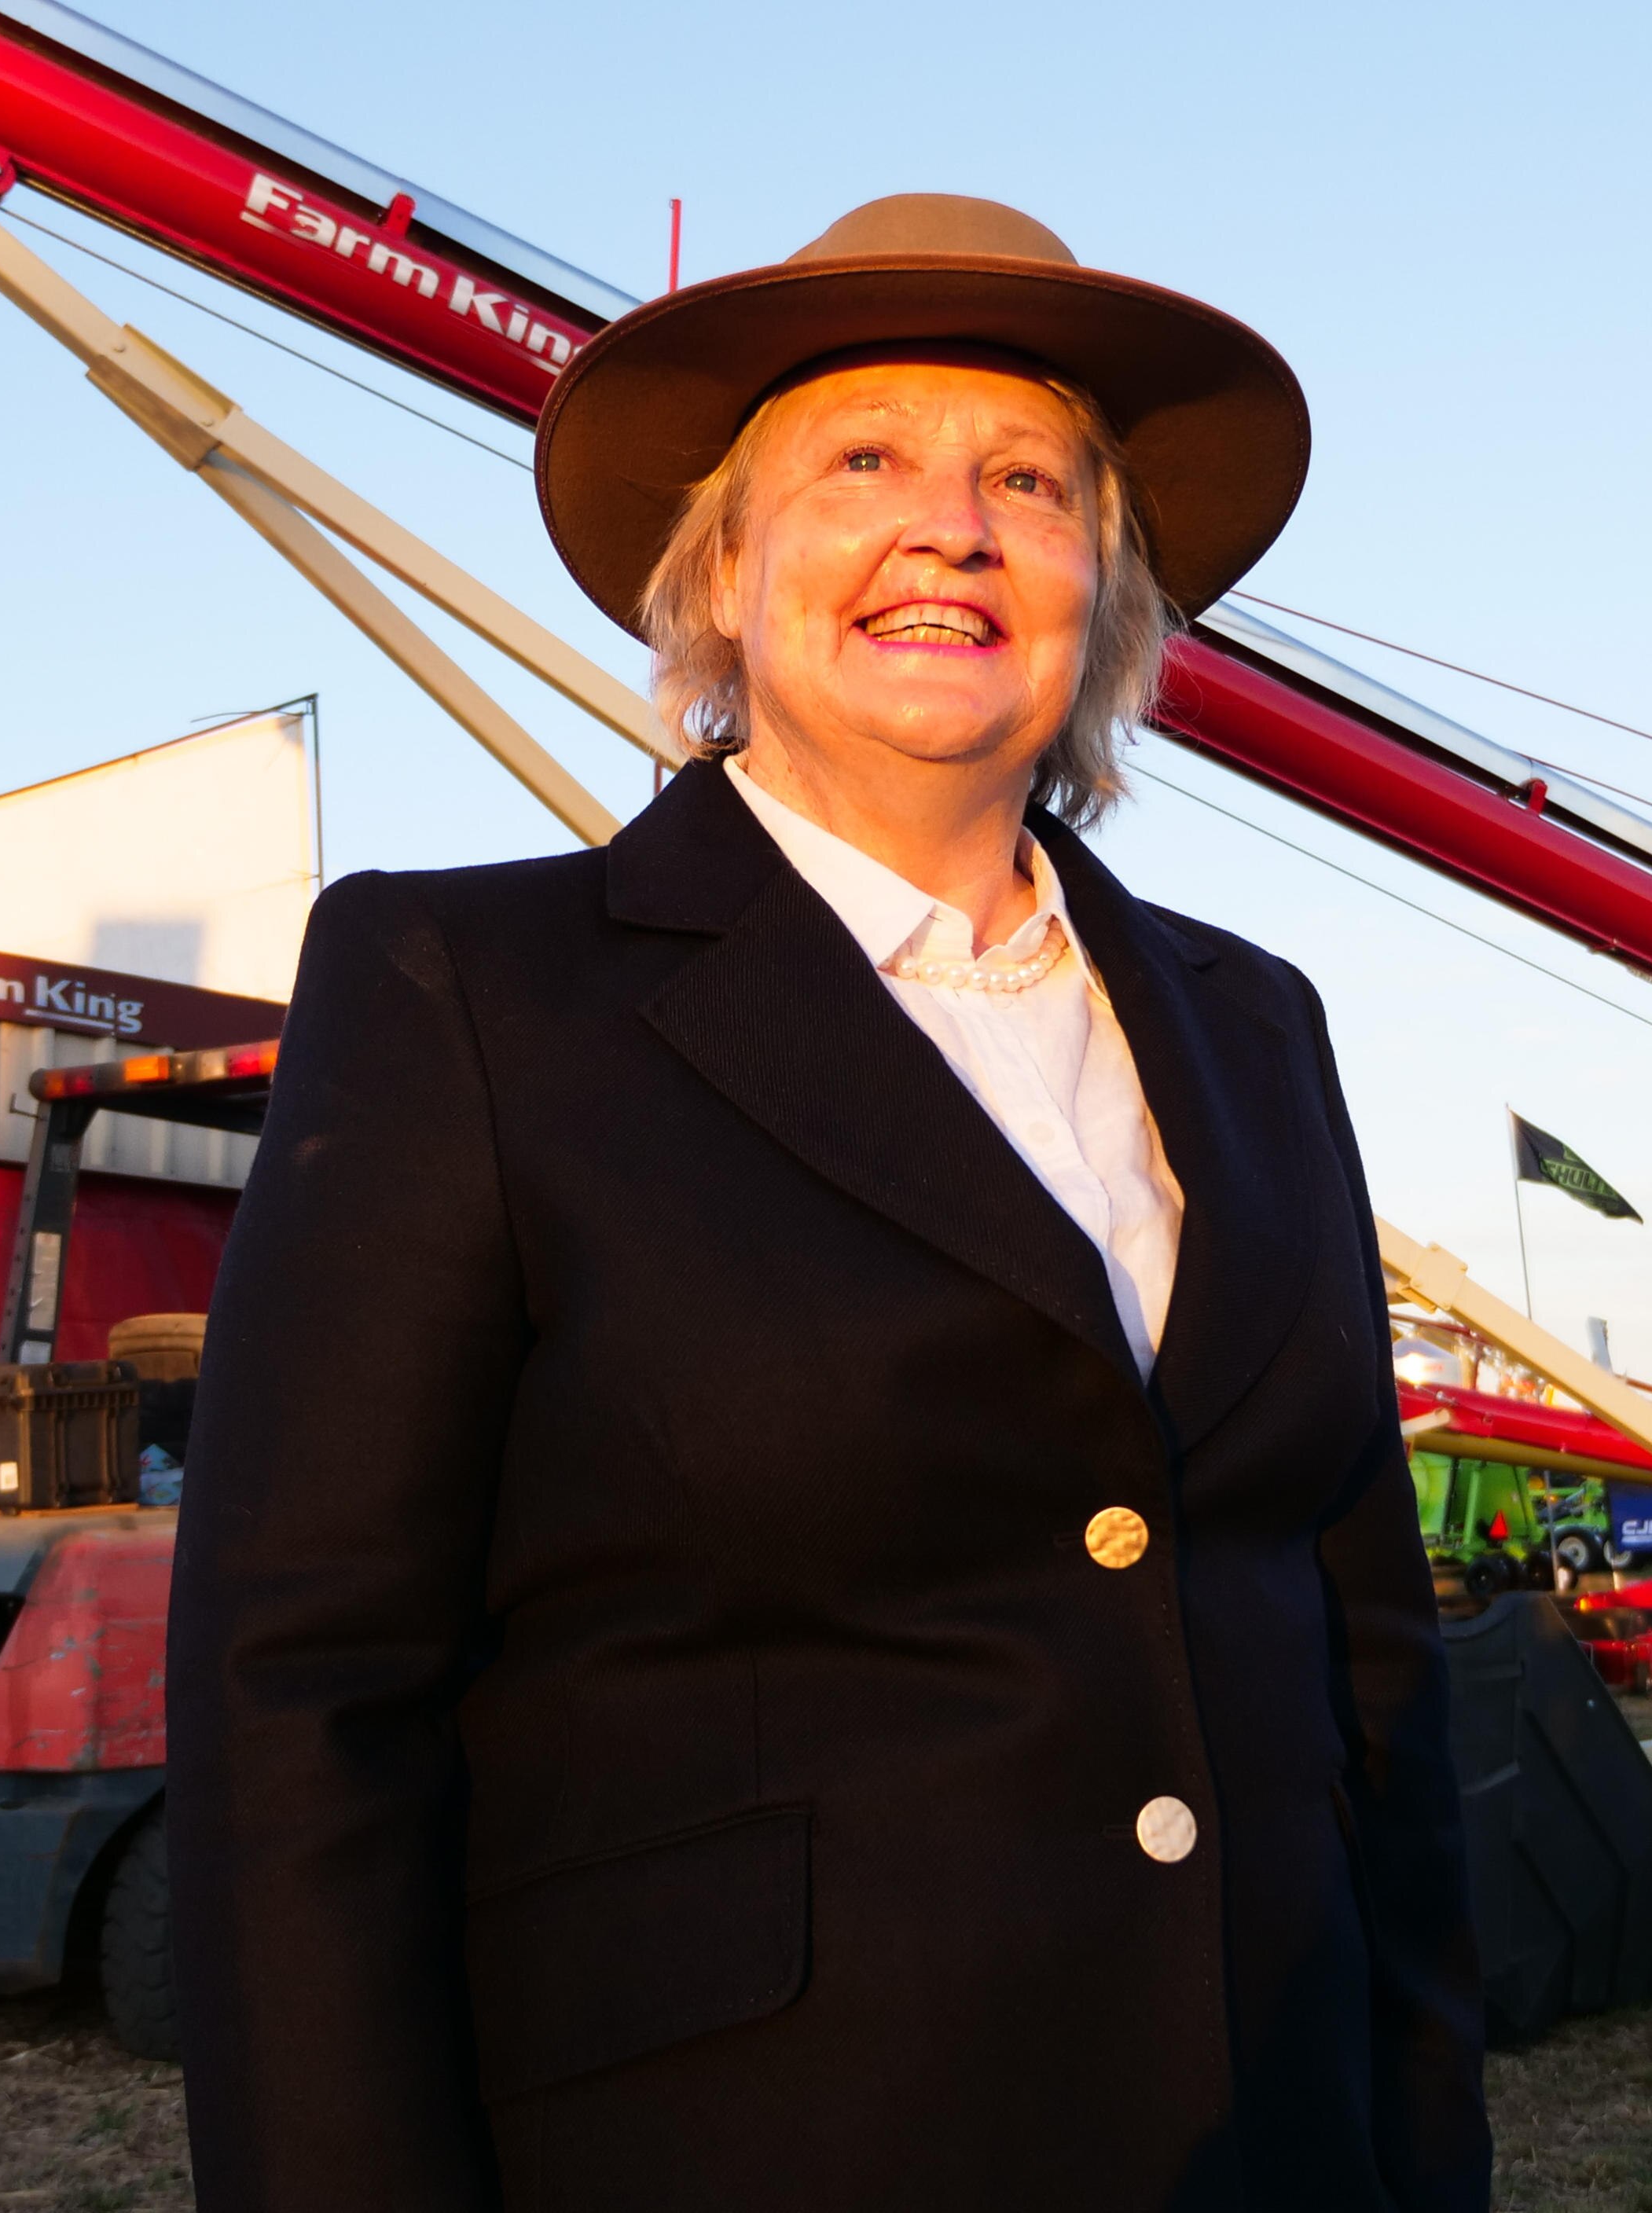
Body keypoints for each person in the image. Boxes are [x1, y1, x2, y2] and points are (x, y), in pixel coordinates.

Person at [167, 193, 1486, 2212]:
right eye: (862, 462)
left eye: (1028, 482)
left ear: (1104, 590)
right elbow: (303, 1704)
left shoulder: (1255, 1022)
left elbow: (1364, 1651)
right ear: (725, 570)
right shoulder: (465, 990)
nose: (949, 527)